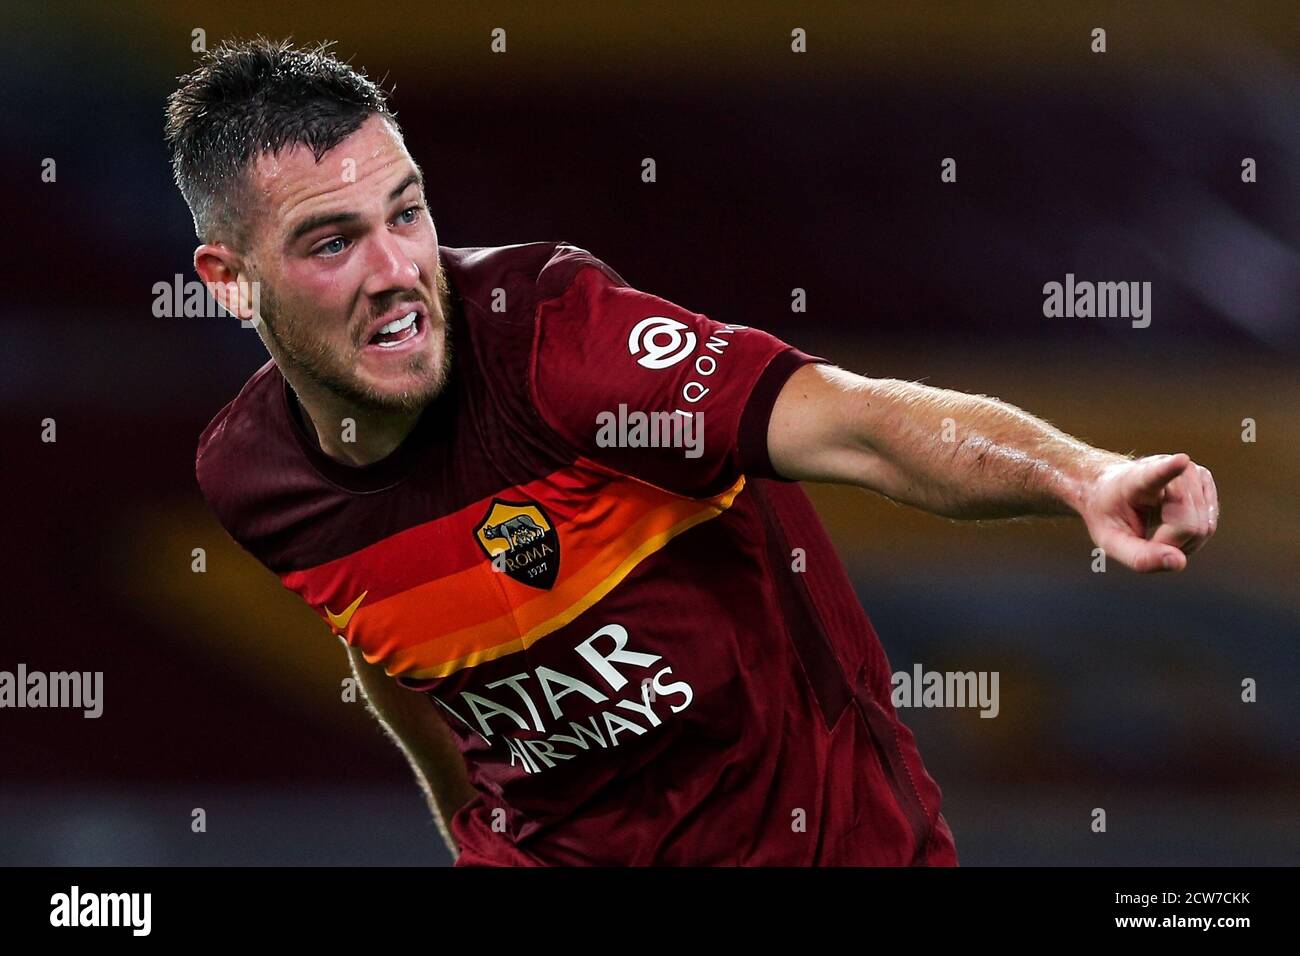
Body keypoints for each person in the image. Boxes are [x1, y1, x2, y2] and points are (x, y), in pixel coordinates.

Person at [166, 37, 1219, 866]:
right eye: (332, 241)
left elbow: (857, 420)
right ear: (227, 278)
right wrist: (468, 828)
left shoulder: (561, 345)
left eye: (406, 211)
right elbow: (375, 623)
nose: (399, 268)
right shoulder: (248, 479)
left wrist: (1077, 474)